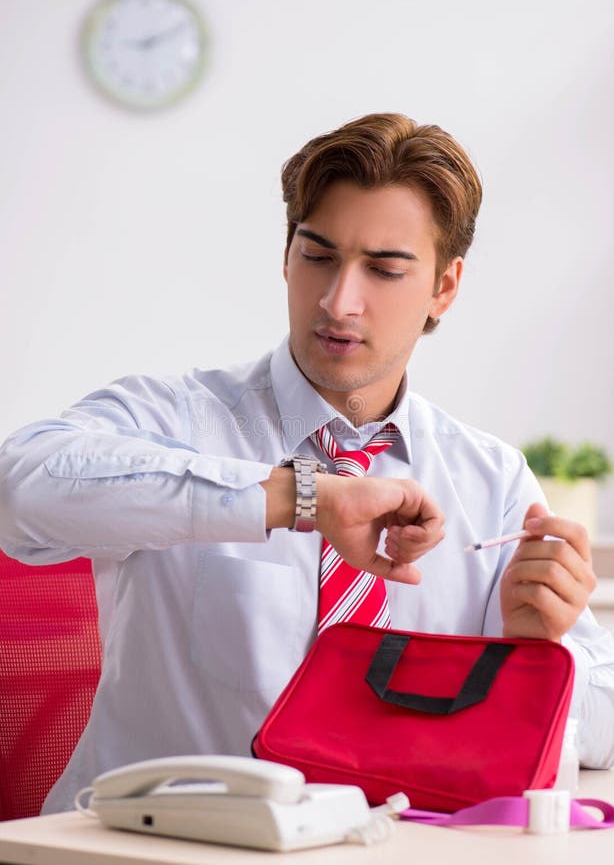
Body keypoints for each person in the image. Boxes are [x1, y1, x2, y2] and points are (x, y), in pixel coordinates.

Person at [1, 113, 612, 814]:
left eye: (384, 269)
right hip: (163, 852)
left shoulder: (491, 480)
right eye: (318, 255)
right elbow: (19, 489)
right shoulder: (175, 418)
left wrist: (532, 657)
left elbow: (603, 726)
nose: (337, 301)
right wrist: (295, 497)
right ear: (287, 255)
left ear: (445, 287)